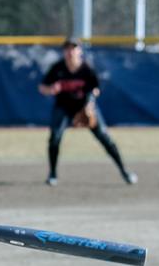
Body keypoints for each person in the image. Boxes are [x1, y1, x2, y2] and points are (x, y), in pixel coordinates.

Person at [38, 39, 137, 187]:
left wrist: (90, 104)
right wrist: (51, 89)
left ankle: (124, 171)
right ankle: (52, 174)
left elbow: (96, 89)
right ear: (64, 52)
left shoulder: (86, 69)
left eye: (74, 48)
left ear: (80, 51)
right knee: (55, 138)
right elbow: (42, 87)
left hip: (85, 107)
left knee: (104, 137)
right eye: (67, 49)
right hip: (63, 107)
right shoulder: (57, 68)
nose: (70, 52)